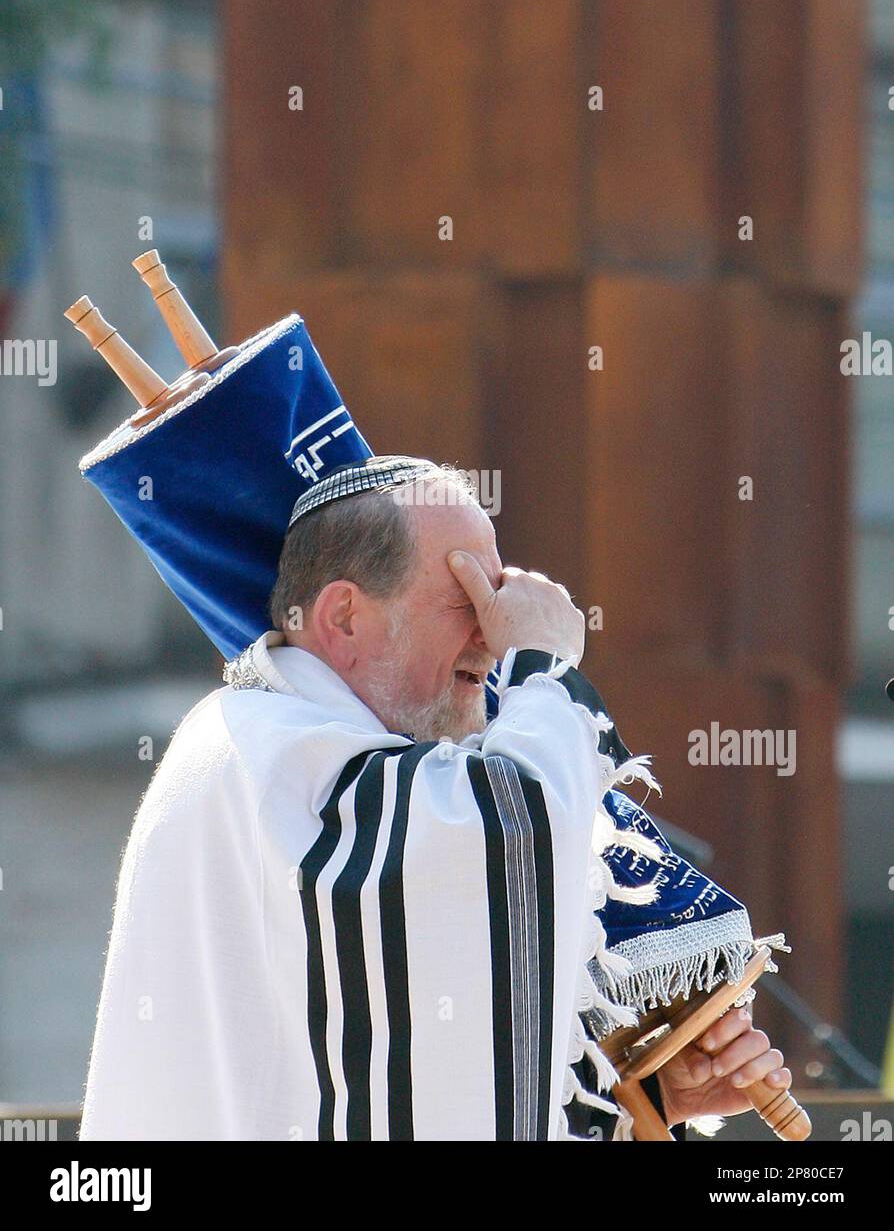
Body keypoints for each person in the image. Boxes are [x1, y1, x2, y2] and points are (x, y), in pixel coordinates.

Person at [80, 456, 790, 1141]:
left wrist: (643, 1105)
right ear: (345, 618)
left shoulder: (315, 751)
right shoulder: (267, 748)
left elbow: (430, 1057)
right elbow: (513, 828)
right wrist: (542, 665)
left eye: (502, 604)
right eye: (467, 602)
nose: (493, 638)